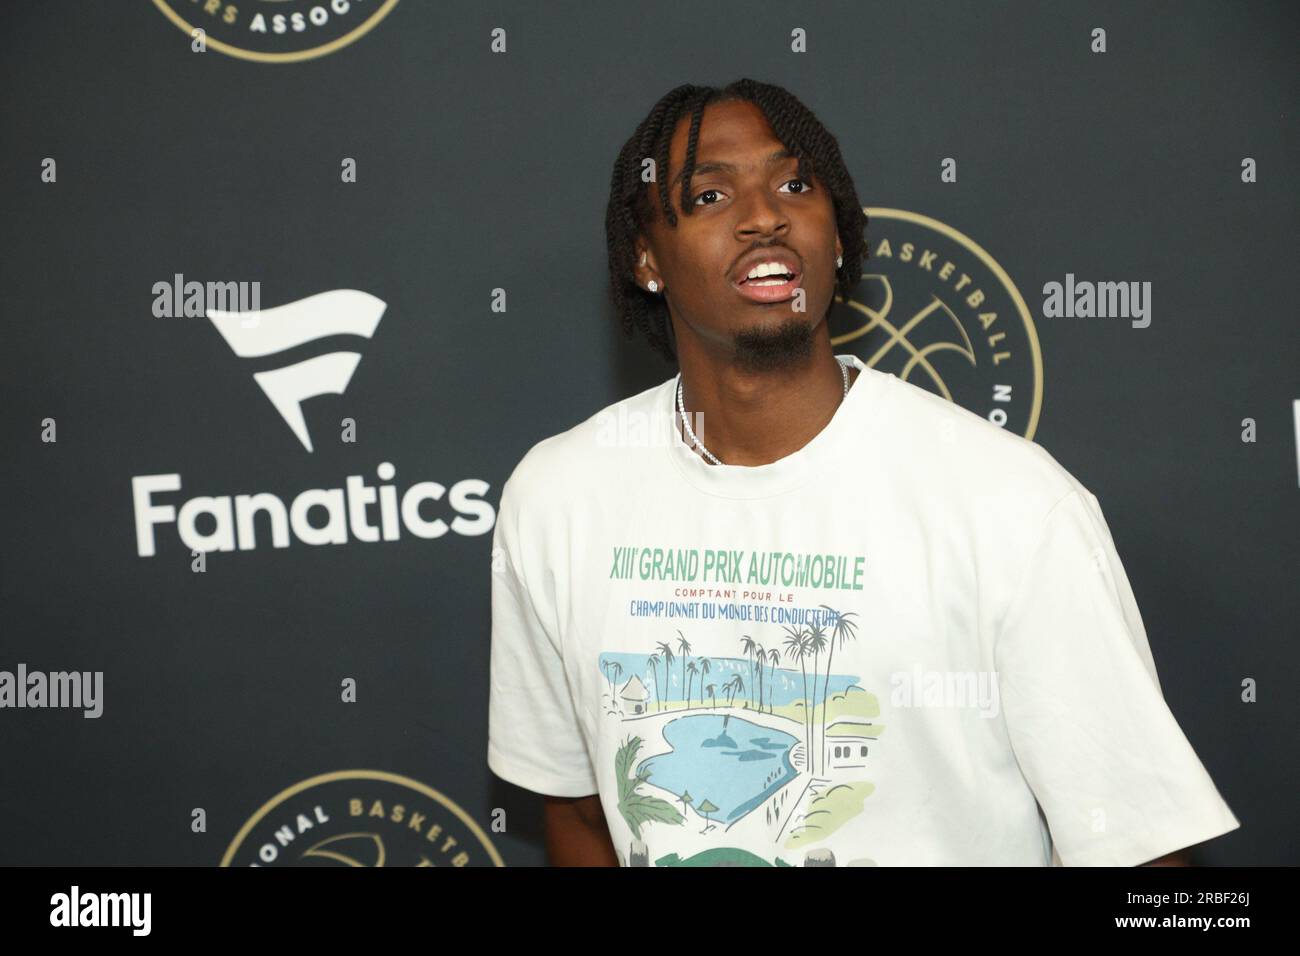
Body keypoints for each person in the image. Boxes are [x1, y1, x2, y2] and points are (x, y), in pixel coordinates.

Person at [486, 78, 1240, 867]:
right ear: (645, 258)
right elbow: (578, 812)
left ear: (838, 234)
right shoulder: (560, 496)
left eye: (795, 185)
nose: (764, 216)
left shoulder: (1013, 504)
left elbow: (1144, 855)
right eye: (710, 195)